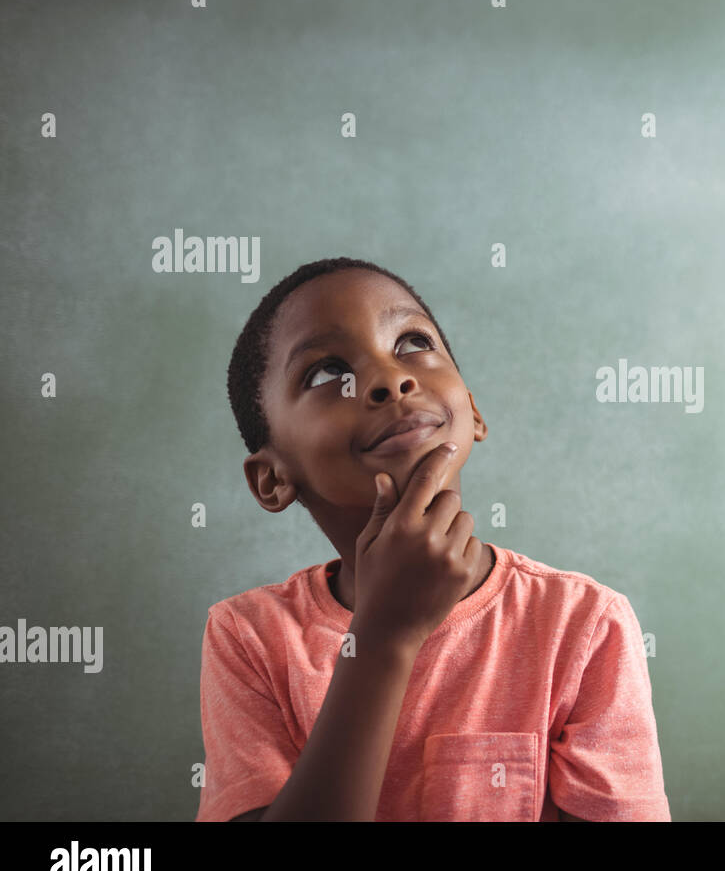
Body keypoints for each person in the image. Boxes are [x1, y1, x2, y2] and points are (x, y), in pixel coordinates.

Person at [196, 257, 670, 821]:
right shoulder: (249, 637)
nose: (390, 379)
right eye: (327, 373)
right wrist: (383, 635)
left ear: (472, 410)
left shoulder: (585, 624)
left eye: (412, 342)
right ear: (272, 478)